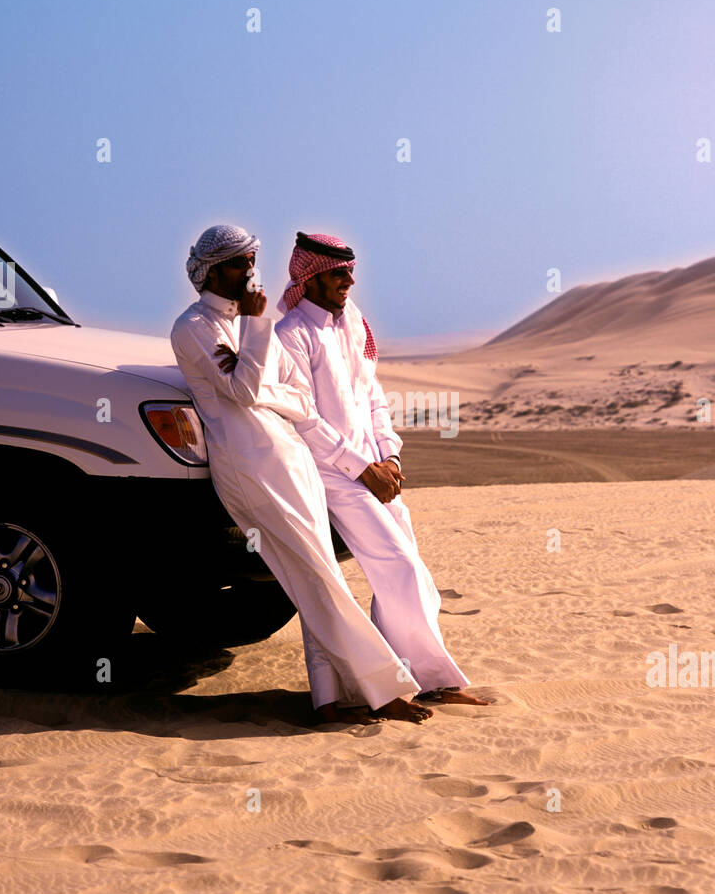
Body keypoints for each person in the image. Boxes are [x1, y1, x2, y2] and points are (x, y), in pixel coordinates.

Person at [169, 224, 432, 724]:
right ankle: (383, 688)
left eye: (251, 258)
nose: (249, 269)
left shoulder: (249, 325)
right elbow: (246, 393)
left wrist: (255, 368)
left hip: (294, 459)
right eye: (237, 262)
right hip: (249, 466)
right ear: (211, 271)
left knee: (319, 574)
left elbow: (296, 398)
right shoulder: (195, 327)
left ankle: (328, 698)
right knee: (312, 574)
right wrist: (254, 343)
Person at [274, 231, 489, 707]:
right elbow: (303, 419)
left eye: (350, 271)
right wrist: (359, 468)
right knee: (401, 569)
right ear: (308, 278)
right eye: (336, 273)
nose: (348, 280)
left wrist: (390, 455)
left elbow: (373, 396)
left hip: (376, 469)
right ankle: (433, 682)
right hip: (333, 475)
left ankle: (406, 678)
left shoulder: (353, 323)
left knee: (411, 574)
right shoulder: (291, 336)